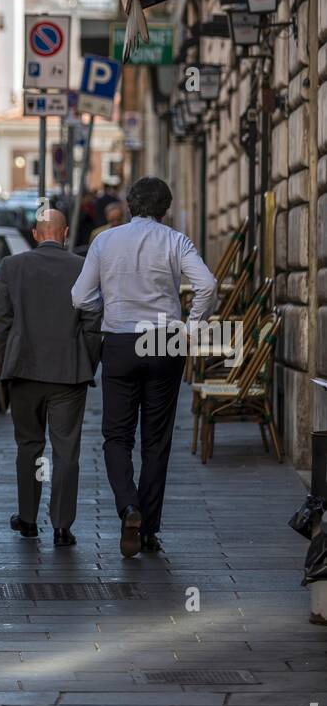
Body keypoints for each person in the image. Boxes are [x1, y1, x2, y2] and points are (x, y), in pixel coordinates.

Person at [71, 176, 218, 558]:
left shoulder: (105, 240)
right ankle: (149, 528)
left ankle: (128, 506)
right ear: (165, 209)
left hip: (119, 339)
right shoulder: (175, 240)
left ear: (130, 205)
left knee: (117, 435)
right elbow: (207, 285)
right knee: (157, 440)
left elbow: (79, 296)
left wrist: (107, 309)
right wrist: (191, 328)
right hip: (165, 339)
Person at [0, 207, 101, 546]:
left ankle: (27, 518)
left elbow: (2, 324)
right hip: (68, 373)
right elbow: (93, 324)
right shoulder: (83, 266)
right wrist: (87, 364)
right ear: (66, 232)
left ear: (35, 233)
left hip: (24, 370)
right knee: (66, 450)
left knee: (29, 446)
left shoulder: (12, 267)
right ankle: (61, 525)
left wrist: (5, 364)